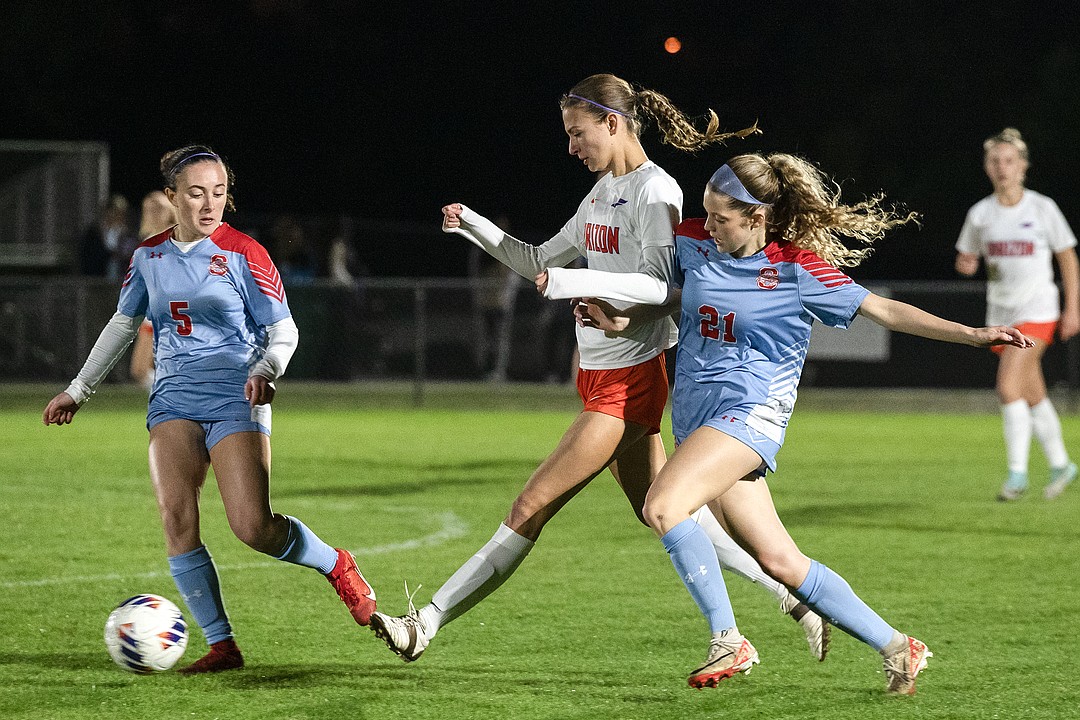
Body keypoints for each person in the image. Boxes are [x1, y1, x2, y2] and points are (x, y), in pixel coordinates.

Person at [369, 73, 831, 665]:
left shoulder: (655, 190)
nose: (571, 146)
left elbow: (663, 286)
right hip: (599, 374)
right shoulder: (599, 196)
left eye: (577, 132)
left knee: (530, 505)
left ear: (612, 123)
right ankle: (795, 601)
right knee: (668, 514)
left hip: (629, 381)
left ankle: (424, 624)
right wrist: (475, 225)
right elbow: (536, 259)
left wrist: (578, 280)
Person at [541, 152, 1032, 693]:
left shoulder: (798, 271)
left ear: (757, 217)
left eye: (720, 218)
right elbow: (676, 299)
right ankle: (898, 646)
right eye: (704, 214)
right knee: (780, 560)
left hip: (750, 415)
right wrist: (621, 316)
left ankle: (727, 638)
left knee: (662, 503)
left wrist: (973, 334)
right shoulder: (695, 243)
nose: (707, 226)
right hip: (698, 419)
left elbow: (885, 312)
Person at [42, 145, 376, 674]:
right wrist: (78, 389)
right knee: (177, 518)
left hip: (236, 392)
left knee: (252, 527)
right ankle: (223, 647)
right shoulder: (148, 256)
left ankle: (336, 563)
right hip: (173, 396)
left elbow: (284, 329)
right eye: (196, 193)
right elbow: (123, 325)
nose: (209, 204)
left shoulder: (245, 253)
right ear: (172, 197)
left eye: (218, 193)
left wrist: (265, 369)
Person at [955, 128, 1080, 501]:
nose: (1002, 167)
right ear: (986, 167)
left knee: (1008, 387)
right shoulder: (980, 214)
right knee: (1032, 391)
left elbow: (1067, 257)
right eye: (995, 161)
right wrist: (966, 263)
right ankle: (1061, 465)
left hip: (1040, 309)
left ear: (1023, 166)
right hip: (1003, 314)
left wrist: (1072, 307)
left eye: (1009, 160)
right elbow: (969, 258)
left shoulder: (1042, 208)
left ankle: (1016, 475)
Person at [129, 190, 179, 389]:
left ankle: (177, 402)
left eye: (158, 208)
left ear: (169, 211)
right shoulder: (148, 240)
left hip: (170, 310)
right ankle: (173, 399)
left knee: (150, 369)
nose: (153, 213)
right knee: (140, 370)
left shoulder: (175, 237)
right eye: (149, 209)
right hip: (151, 309)